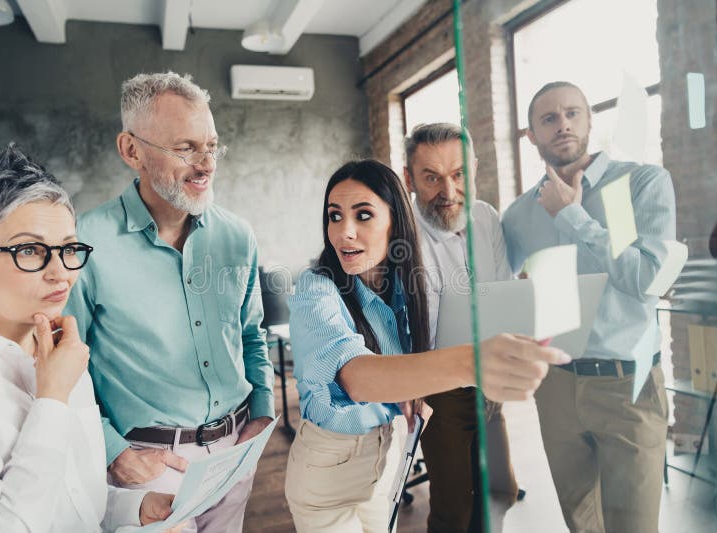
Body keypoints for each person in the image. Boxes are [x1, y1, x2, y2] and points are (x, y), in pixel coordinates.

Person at [284, 159, 571, 533]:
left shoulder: (402, 288)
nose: (344, 232)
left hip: (383, 460)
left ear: (395, 223)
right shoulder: (316, 287)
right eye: (334, 216)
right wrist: (473, 362)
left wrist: (410, 392)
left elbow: (413, 352)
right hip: (326, 475)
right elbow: (355, 376)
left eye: (363, 215)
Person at [65, 72, 275, 533]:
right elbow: (63, 367)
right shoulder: (84, 243)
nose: (205, 164)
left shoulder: (238, 236)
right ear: (131, 150)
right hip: (147, 467)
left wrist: (262, 412)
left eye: (211, 146)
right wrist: (111, 450)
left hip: (235, 451)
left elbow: (250, 334)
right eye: (185, 148)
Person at [0, 145, 179, 532]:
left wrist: (134, 508)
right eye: (30, 250)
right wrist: (51, 399)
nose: (61, 273)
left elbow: (74, 499)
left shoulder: (56, 345)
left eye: (68, 248)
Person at [501, 81, 676, 533]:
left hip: (627, 388)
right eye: (549, 118)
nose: (563, 125)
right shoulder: (520, 215)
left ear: (589, 120)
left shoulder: (636, 185)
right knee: (582, 523)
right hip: (555, 389)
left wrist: (573, 218)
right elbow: (500, 290)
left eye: (573, 113)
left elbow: (644, 281)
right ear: (531, 136)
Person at [403, 123, 519, 533]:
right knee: (453, 507)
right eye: (432, 177)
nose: (448, 191)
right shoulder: (400, 231)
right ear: (409, 179)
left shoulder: (486, 216)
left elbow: (503, 287)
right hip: (439, 383)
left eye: (458, 174)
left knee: (494, 493)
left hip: (489, 375)